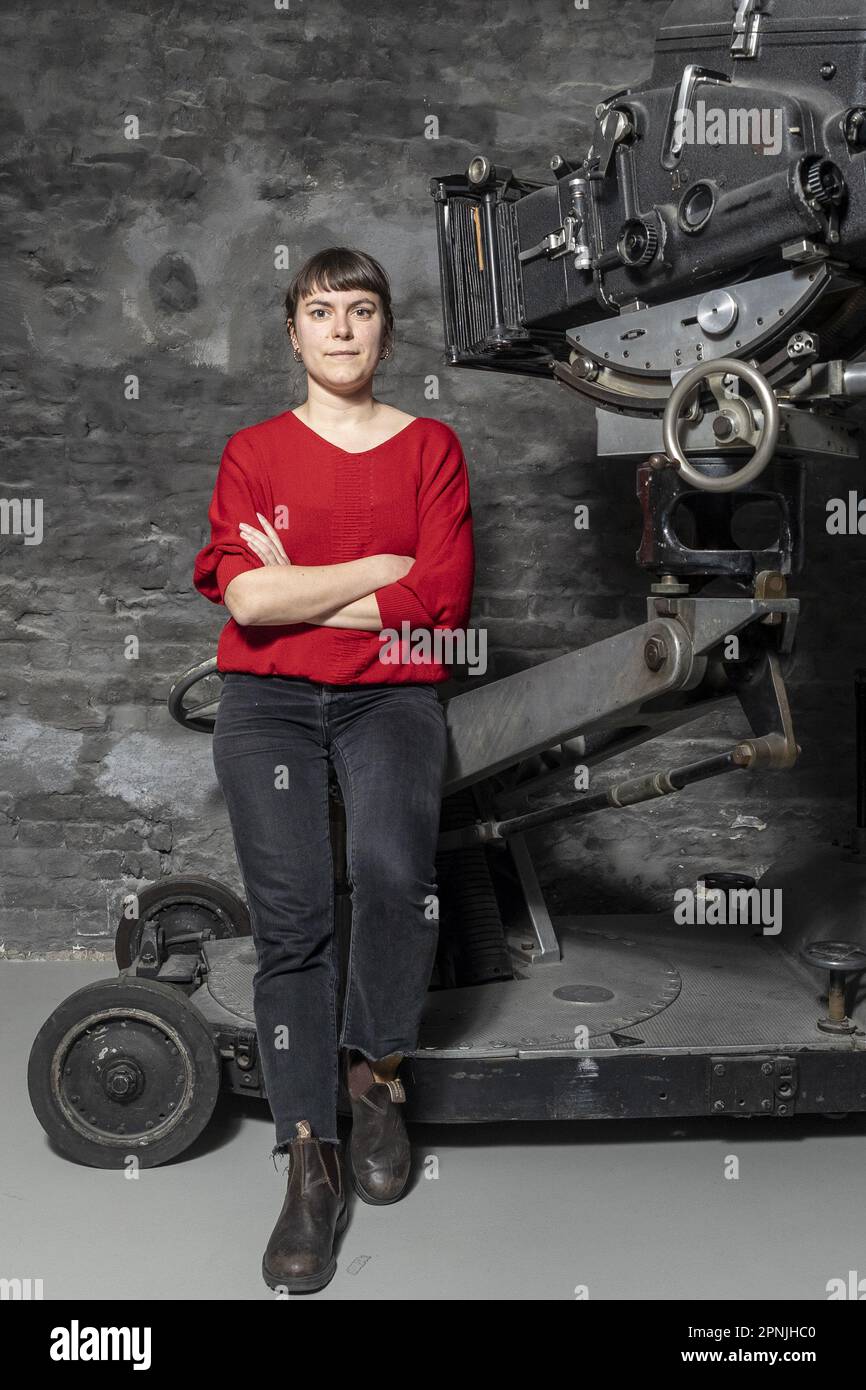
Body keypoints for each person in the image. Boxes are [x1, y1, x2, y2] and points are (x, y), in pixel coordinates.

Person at [191, 246, 475, 1293]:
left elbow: (440, 606)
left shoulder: (429, 449)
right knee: (295, 913)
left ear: (385, 330)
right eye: (322, 311)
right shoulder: (254, 451)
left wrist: (293, 578)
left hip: (391, 694)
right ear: (293, 331)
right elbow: (245, 608)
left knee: (399, 873)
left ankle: (376, 1074)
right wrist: (372, 571)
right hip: (265, 700)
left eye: (362, 310)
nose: (344, 329)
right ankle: (309, 1155)